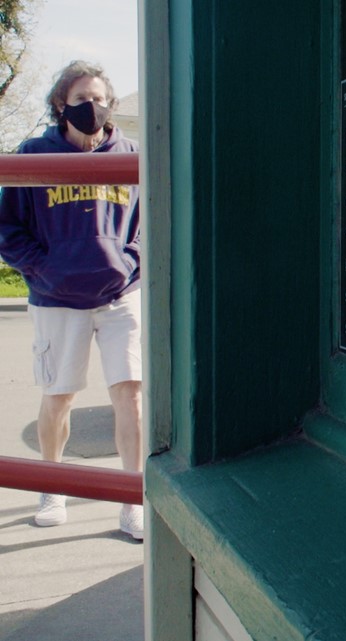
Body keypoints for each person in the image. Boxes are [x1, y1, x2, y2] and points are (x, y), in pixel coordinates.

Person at [0, 61, 143, 540]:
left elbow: (150, 222)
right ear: (61, 103)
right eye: (82, 98)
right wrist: (44, 268)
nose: (93, 107)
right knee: (58, 398)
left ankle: (131, 497)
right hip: (57, 298)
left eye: (100, 98)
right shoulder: (35, 153)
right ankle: (52, 485)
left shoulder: (130, 153)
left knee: (130, 395)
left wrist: (129, 263)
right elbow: (8, 228)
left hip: (119, 295)